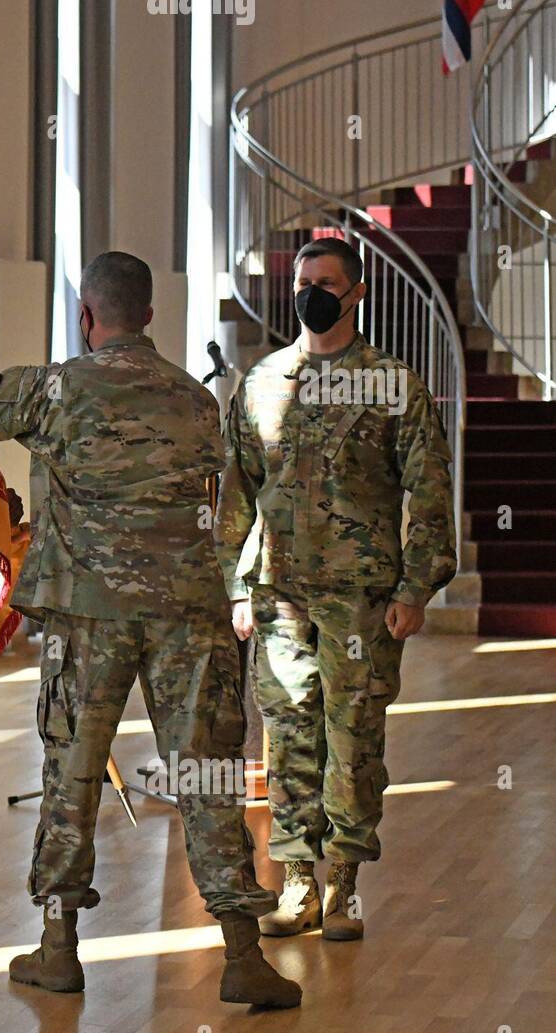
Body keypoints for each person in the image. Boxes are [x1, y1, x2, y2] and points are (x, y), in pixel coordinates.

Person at [0, 251, 300, 1008]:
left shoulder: (57, 387)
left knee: (72, 777)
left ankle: (58, 948)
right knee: (206, 776)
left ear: (88, 317)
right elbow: (236, 497)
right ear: (147, 315)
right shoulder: (197, 400)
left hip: (89, 617)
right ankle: (243, 955)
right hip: (188, 615)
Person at [216, 236, 457, 941]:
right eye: (302, 281)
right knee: (289, 734)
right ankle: (296, 880)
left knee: (352, 738)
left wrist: (416, 586)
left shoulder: (392, 384)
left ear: (355, 294)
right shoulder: (261, 382)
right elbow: (236, 491)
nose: (309, 293)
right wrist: (235, 585)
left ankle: (345, 884)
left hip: (363, 597)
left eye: (324, 282)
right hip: (279, 592)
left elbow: (431, 491)